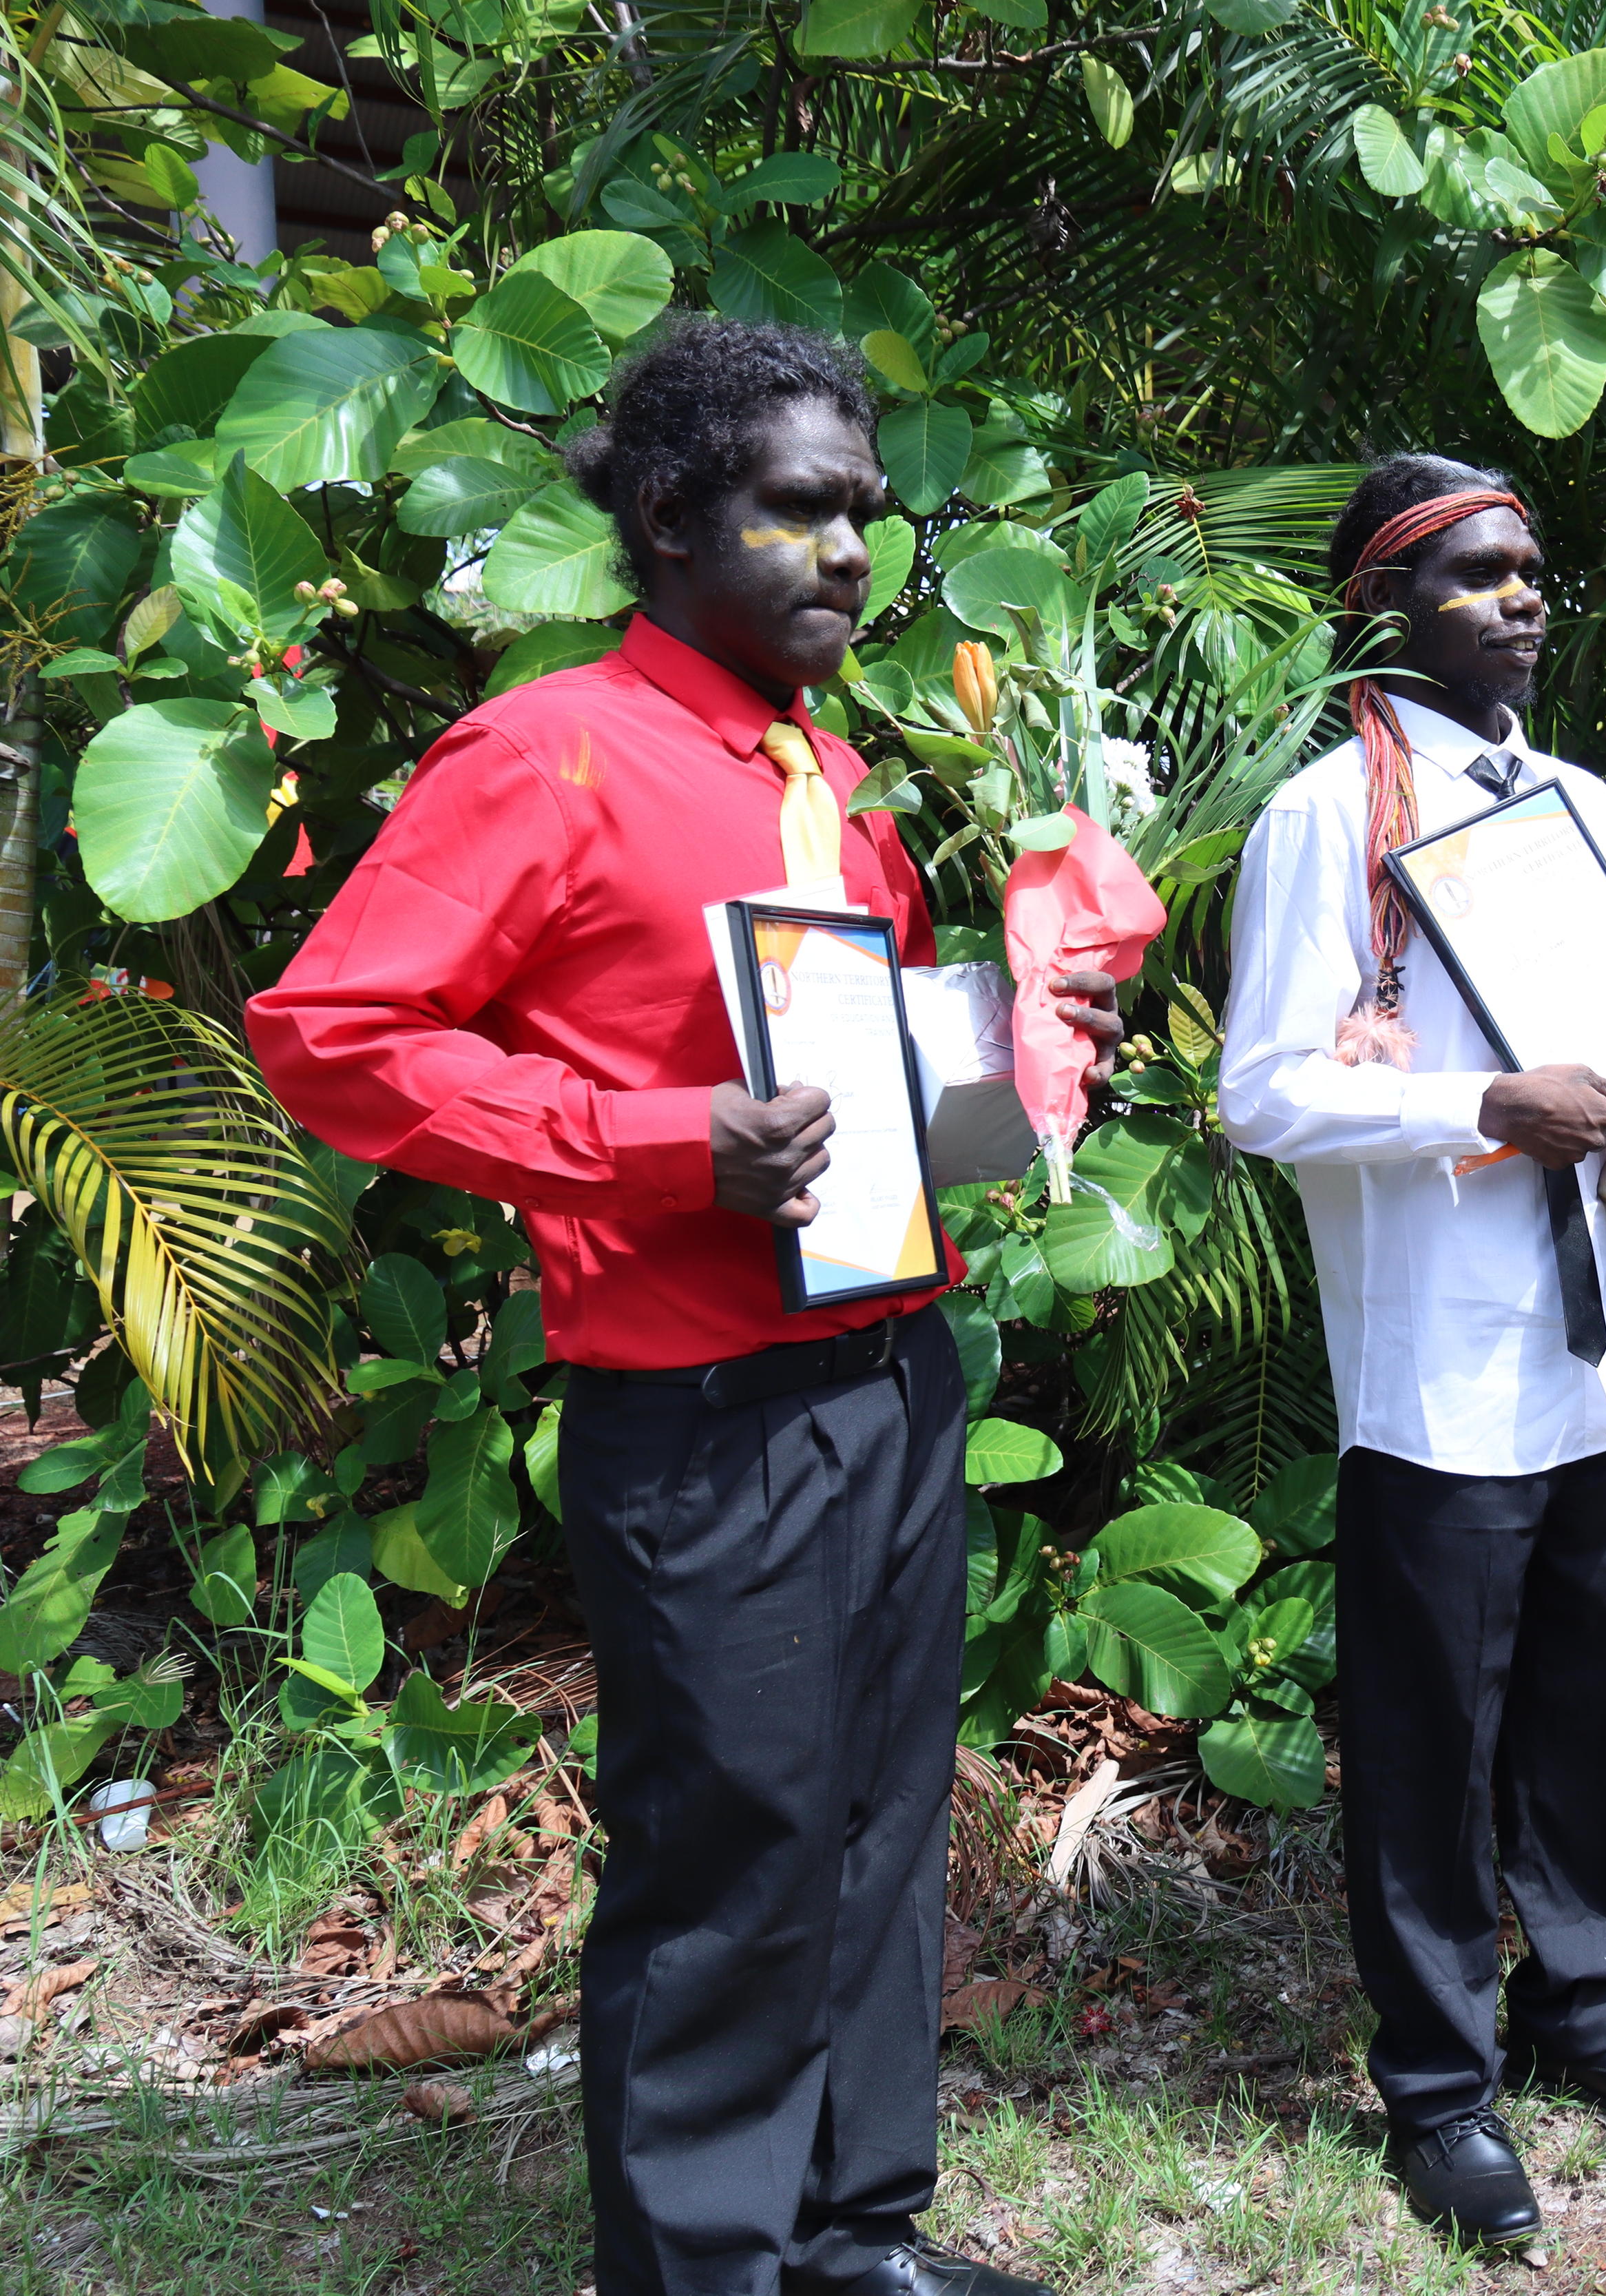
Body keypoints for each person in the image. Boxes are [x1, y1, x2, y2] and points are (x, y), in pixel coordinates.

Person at [248, 320, 1125, 2296]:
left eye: (866, 520)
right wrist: (656, 1143)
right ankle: (707, 2263)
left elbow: (861, 1073)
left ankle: (853, 2228)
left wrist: (1026, 1053)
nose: (848, 557)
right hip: (706, 1406)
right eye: (798, 510)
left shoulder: (834, 763)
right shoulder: (550, 750)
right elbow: (330, 1036)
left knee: (882, 1820)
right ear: (667, 517)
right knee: (728, 1848)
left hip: (887, 1361)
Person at [1217, 456, 1606, 2252]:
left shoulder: (1593, 812)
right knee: (1435, 1730)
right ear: (1387, 606)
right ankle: (1441, 2086)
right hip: (1445, 1362)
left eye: (1533, 569)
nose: (1523, 596)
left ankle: (1588, 2011)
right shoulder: (1327, 819)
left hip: (1597, 1344)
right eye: (1476, 574)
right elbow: (1263, 1093)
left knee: (1590, 1709)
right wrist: (1485, 1102)